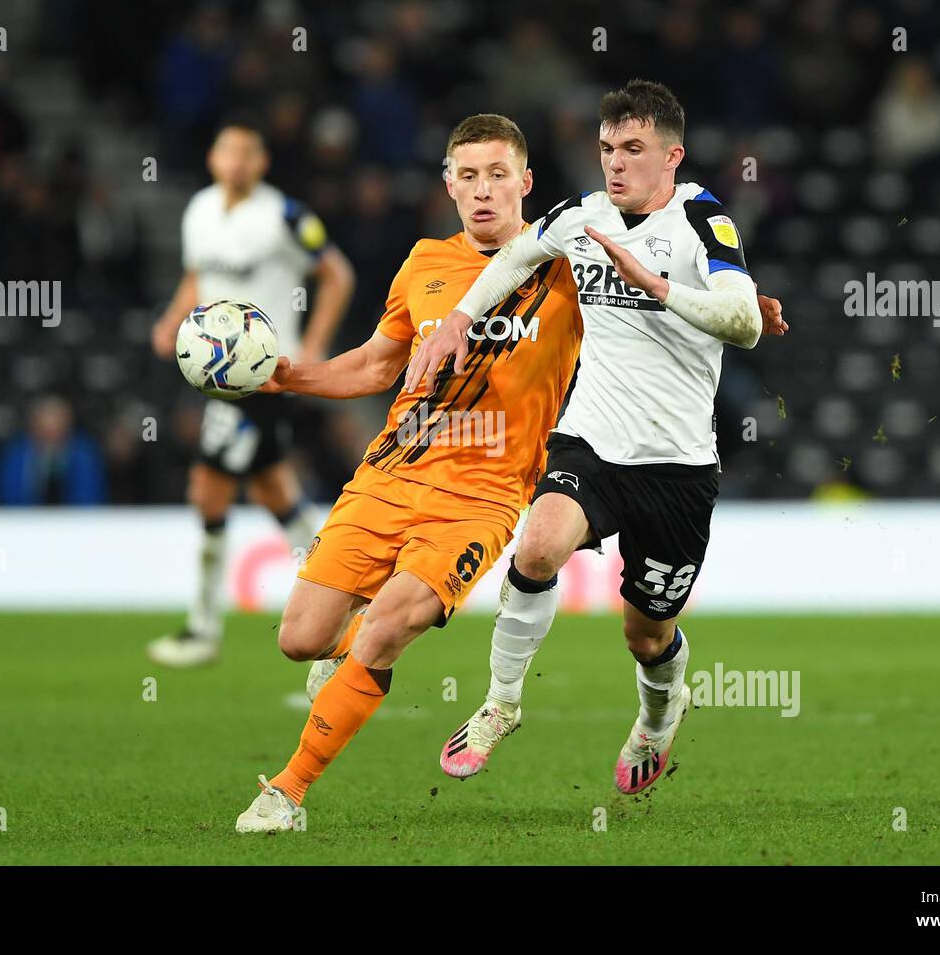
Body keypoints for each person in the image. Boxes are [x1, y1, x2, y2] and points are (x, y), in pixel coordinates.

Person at [233, 111, 785, 831]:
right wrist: (284, 375)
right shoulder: (424, 263)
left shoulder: (568, 261)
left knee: (392, 631)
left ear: (526, 183)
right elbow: (375, 363)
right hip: (389, 474)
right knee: (300, 639)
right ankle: (354, 652)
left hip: (485, 494)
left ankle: (287, 791)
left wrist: (740, 307)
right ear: (449, 186)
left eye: (498, 175)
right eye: (468, 176)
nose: (483, 191)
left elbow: (646, 315)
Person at [411, 80, 784, 796]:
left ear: (672, 156)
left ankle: (657, 713)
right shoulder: (579, 218)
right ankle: (501, 703)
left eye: (634, 149)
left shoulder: (702, 220)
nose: (616, 163)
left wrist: (658, 285)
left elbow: (745, 322)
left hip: (676, 466)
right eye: (608, 148)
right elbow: (516, 258)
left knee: (644, 634)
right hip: (592, 442)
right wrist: (459, 318)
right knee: (540, 545)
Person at [147, 117, 354, 667]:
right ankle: (347, 591)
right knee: (273, 493)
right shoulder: (199, 210)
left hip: (263, 379)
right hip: (219, 380)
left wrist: (312, 345)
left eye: (247, 152)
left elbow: (337, 274)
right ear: (214, 159)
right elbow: (198, 277)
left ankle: (203, 628)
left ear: (261, 163)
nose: (236, 162)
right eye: (227, 151)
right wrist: (172, 319)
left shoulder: (284, 216)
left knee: (207, 489)